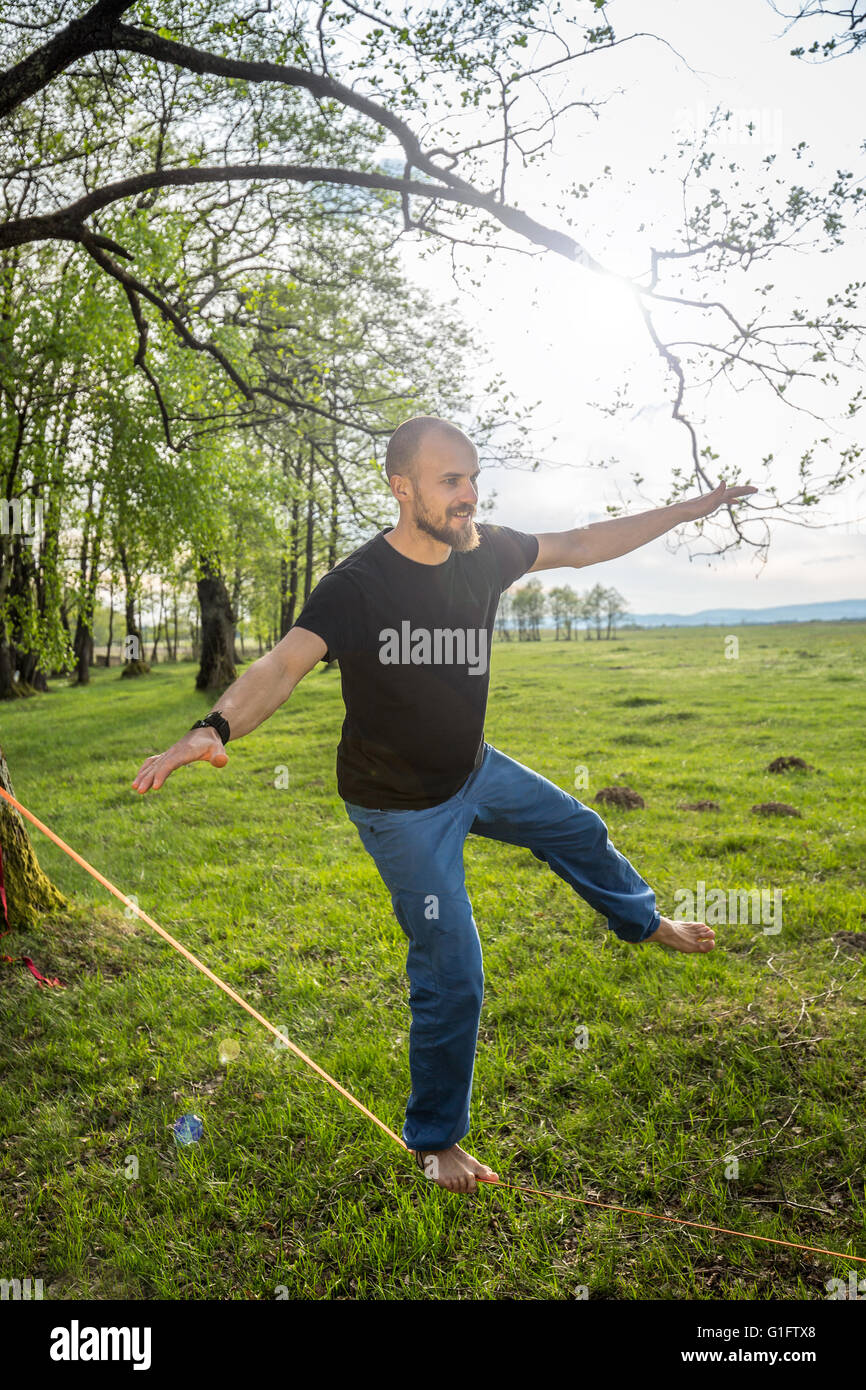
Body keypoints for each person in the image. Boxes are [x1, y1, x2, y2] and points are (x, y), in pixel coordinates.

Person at [133, 416, 757, 1193]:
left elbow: (585, 541)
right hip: (399, 808)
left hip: (473, 770)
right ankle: (436, 1144)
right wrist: (212, 726)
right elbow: (284, 664)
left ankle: (642, 920)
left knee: (578, 827)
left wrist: (688, 510)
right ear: (404, 489)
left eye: (473, 479)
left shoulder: (487, 551)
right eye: (450, 482)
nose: (469, 496)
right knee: (453, 968)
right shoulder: (358, 585)